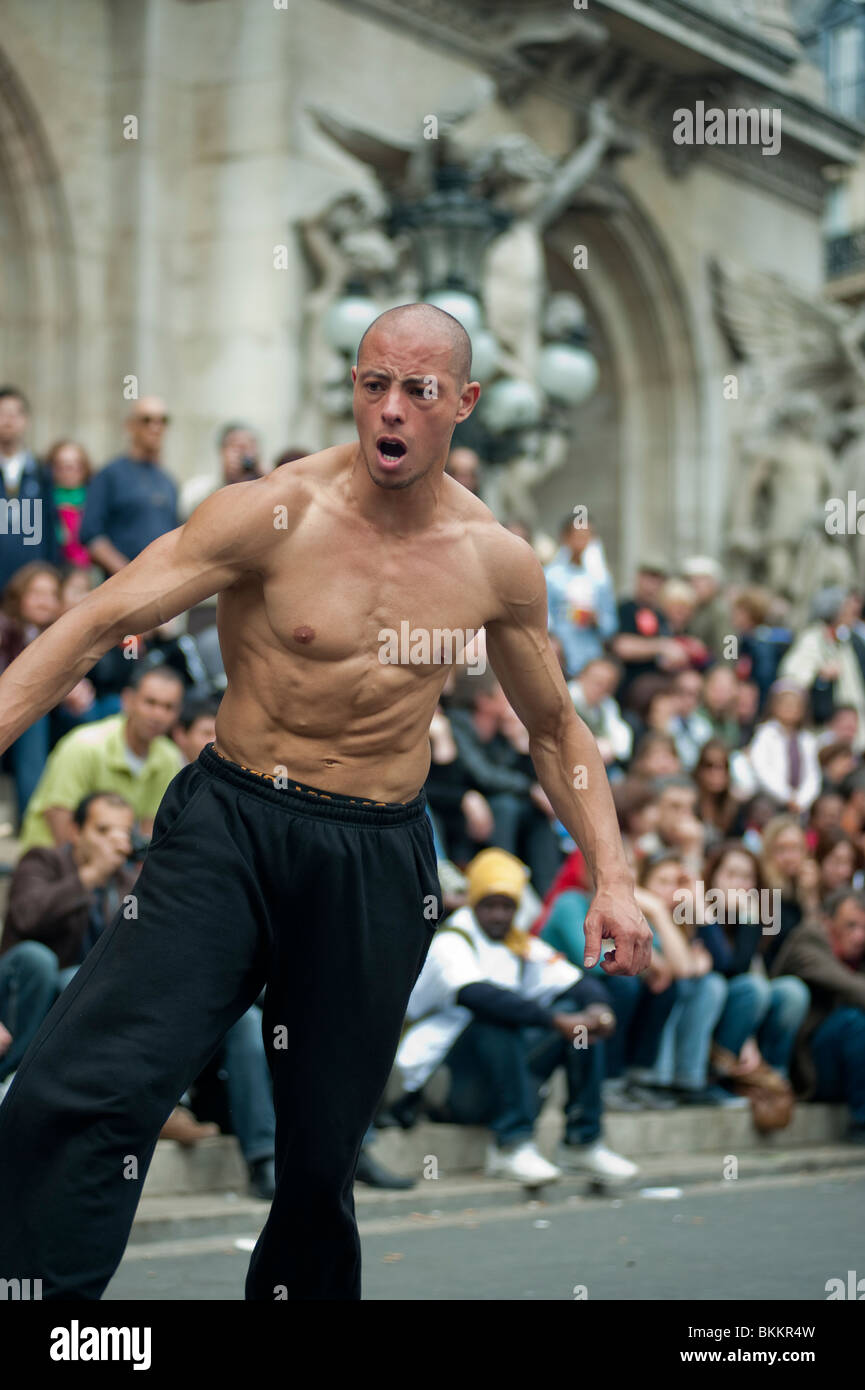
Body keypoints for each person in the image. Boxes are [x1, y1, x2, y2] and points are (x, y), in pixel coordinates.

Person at [0, 301, 650, 1302]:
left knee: (319, 1160)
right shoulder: (271, 513)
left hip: (371, 856)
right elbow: (94, 618)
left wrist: (613, 874)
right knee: (81, 1085)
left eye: (418, 391)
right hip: (229, 827)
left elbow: (555, 725)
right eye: (371, 383)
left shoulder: (495, 562)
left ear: (463, 403)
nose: (389, 408)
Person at [395, 849, 637, 1185]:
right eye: (489, 905)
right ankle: (510, 1146)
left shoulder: (519, 943)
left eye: (507, 906)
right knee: (498, 1015)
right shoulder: (452, 940)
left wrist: (600, 1012)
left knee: (581, 1023)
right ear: (473, 903)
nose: (498, 915)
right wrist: (554, 1022)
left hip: (500, 1078)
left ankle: (582, 1142)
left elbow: (579, 984)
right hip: (446, 1085)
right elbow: (478, 996)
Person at [1, 790, 218, 1147]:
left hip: (83, 1001)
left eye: (121, 832)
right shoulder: (43, 861)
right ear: (75, 831)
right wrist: (89, 876)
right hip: (25, 989)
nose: (113, 843)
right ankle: (13, 1082)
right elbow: (27, 917)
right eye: (102, 831)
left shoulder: (127, 882)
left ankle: (150, 1106)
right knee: (43, 963)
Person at [17, 665, 184, 854]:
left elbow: (149, 832)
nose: (158, 715)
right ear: (128, 700)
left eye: (168, 707)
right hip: (49, 862)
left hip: (112, 864)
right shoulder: (84, 745)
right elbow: (59, 821)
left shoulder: (168, 757)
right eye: (150, 703)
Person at [768, 887, 865, 1142]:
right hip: (808, 1065)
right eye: (851, 926)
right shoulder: (808, 940)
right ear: (826, 922)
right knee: (853, 1022)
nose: (859, 936)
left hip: (844, 1061)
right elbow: (852, 988)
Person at [80, 396, 178, 576]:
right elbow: (91, 534)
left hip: (163, 589)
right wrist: (128, 575)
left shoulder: (169, 482)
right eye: (147, 420)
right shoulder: (110, 475)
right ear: (130, 425)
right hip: (121, 591)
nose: (155, 427)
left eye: (162, 421)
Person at [0, 385, 60, 590]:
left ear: (26, 421)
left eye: (15, 413)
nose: (8, 420)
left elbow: (51, 529)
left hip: (31, 588)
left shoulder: (42, 472)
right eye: (2, 413)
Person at [544, 513, 617, 679]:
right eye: (577, 536)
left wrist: (597, 619)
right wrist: (554, 640)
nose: (582, 542)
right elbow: (544, 616)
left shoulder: (601, 578)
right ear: (565, 537)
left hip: (592, 658)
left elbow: (610, 625)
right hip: (559, 656)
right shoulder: (551, 576)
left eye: (587, 536)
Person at [180, 421, 266, 522]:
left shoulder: (267, 486)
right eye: (236, 447)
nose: (243, 454)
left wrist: (266, 479)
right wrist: (226, 482)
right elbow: (187, 515)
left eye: (249, 446)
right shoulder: (198, 488)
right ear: (221, 451)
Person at [46, 439, 93, 568]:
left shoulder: (94, 498)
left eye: (73, 467)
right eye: (60, 467)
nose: (67, 472)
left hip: (88, 568)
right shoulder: (44, 498)